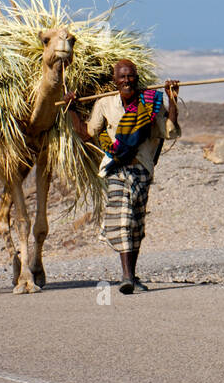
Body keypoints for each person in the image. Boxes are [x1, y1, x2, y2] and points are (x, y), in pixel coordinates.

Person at [66, 61, 181, 294]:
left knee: (136, 223)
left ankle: (133, 275)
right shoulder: (105, 104)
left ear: (136, 78)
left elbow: (169, 131)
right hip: (116, 168)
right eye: (122, 77)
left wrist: (172, 100)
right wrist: (71, 108)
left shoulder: (150, 103)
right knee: (124, 218)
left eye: (130, 77)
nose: (126, 81)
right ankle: (127, 276)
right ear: (115, 80)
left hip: (142, 169)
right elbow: (88, 133)